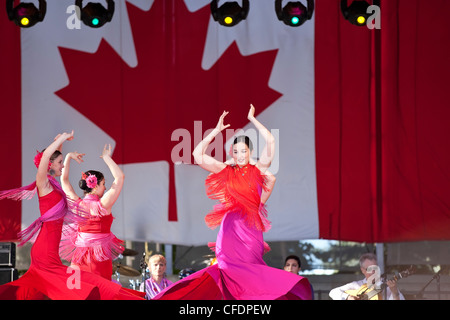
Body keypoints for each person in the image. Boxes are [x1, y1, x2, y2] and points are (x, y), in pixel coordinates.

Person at [153, 105, 312, 300]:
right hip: (230, 228)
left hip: (251, 230)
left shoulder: (259, 169)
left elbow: (270, 140)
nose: (240, 155)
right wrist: (216, 131)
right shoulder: (227, 171)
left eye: (243, 151)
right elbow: (197, 155)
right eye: (236, 152)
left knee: (251, 271)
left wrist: (253, 119)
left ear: (250, 152)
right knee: (226, 270)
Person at [0, 131, 144, 300]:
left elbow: (59, 171)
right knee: (92, 288)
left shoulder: (54, 186)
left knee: (38, 292)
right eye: (59, 163)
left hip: (53, 252)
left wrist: (65, 154)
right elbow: (48, 157)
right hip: (46, 253)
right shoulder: (43, 183)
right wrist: (62, 139)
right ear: (49, 164)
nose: (61, 166)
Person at [59, 144, 125, 280]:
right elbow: (120, 177)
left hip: (78, 259)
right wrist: (107, 158)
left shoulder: (77, 204)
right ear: (95, 186)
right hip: (98, 260)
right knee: (101, 293)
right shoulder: (103, 205)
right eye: (103, 184)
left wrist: (68, 157)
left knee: (76, 294)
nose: (106, 187)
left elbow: (64, 180)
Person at [329, 253, 405, 300]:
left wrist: (394, 292)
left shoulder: (388, 285)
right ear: (362, 270)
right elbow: (333, 292)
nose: (373, 272)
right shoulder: (357, 285)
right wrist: (348, 297)